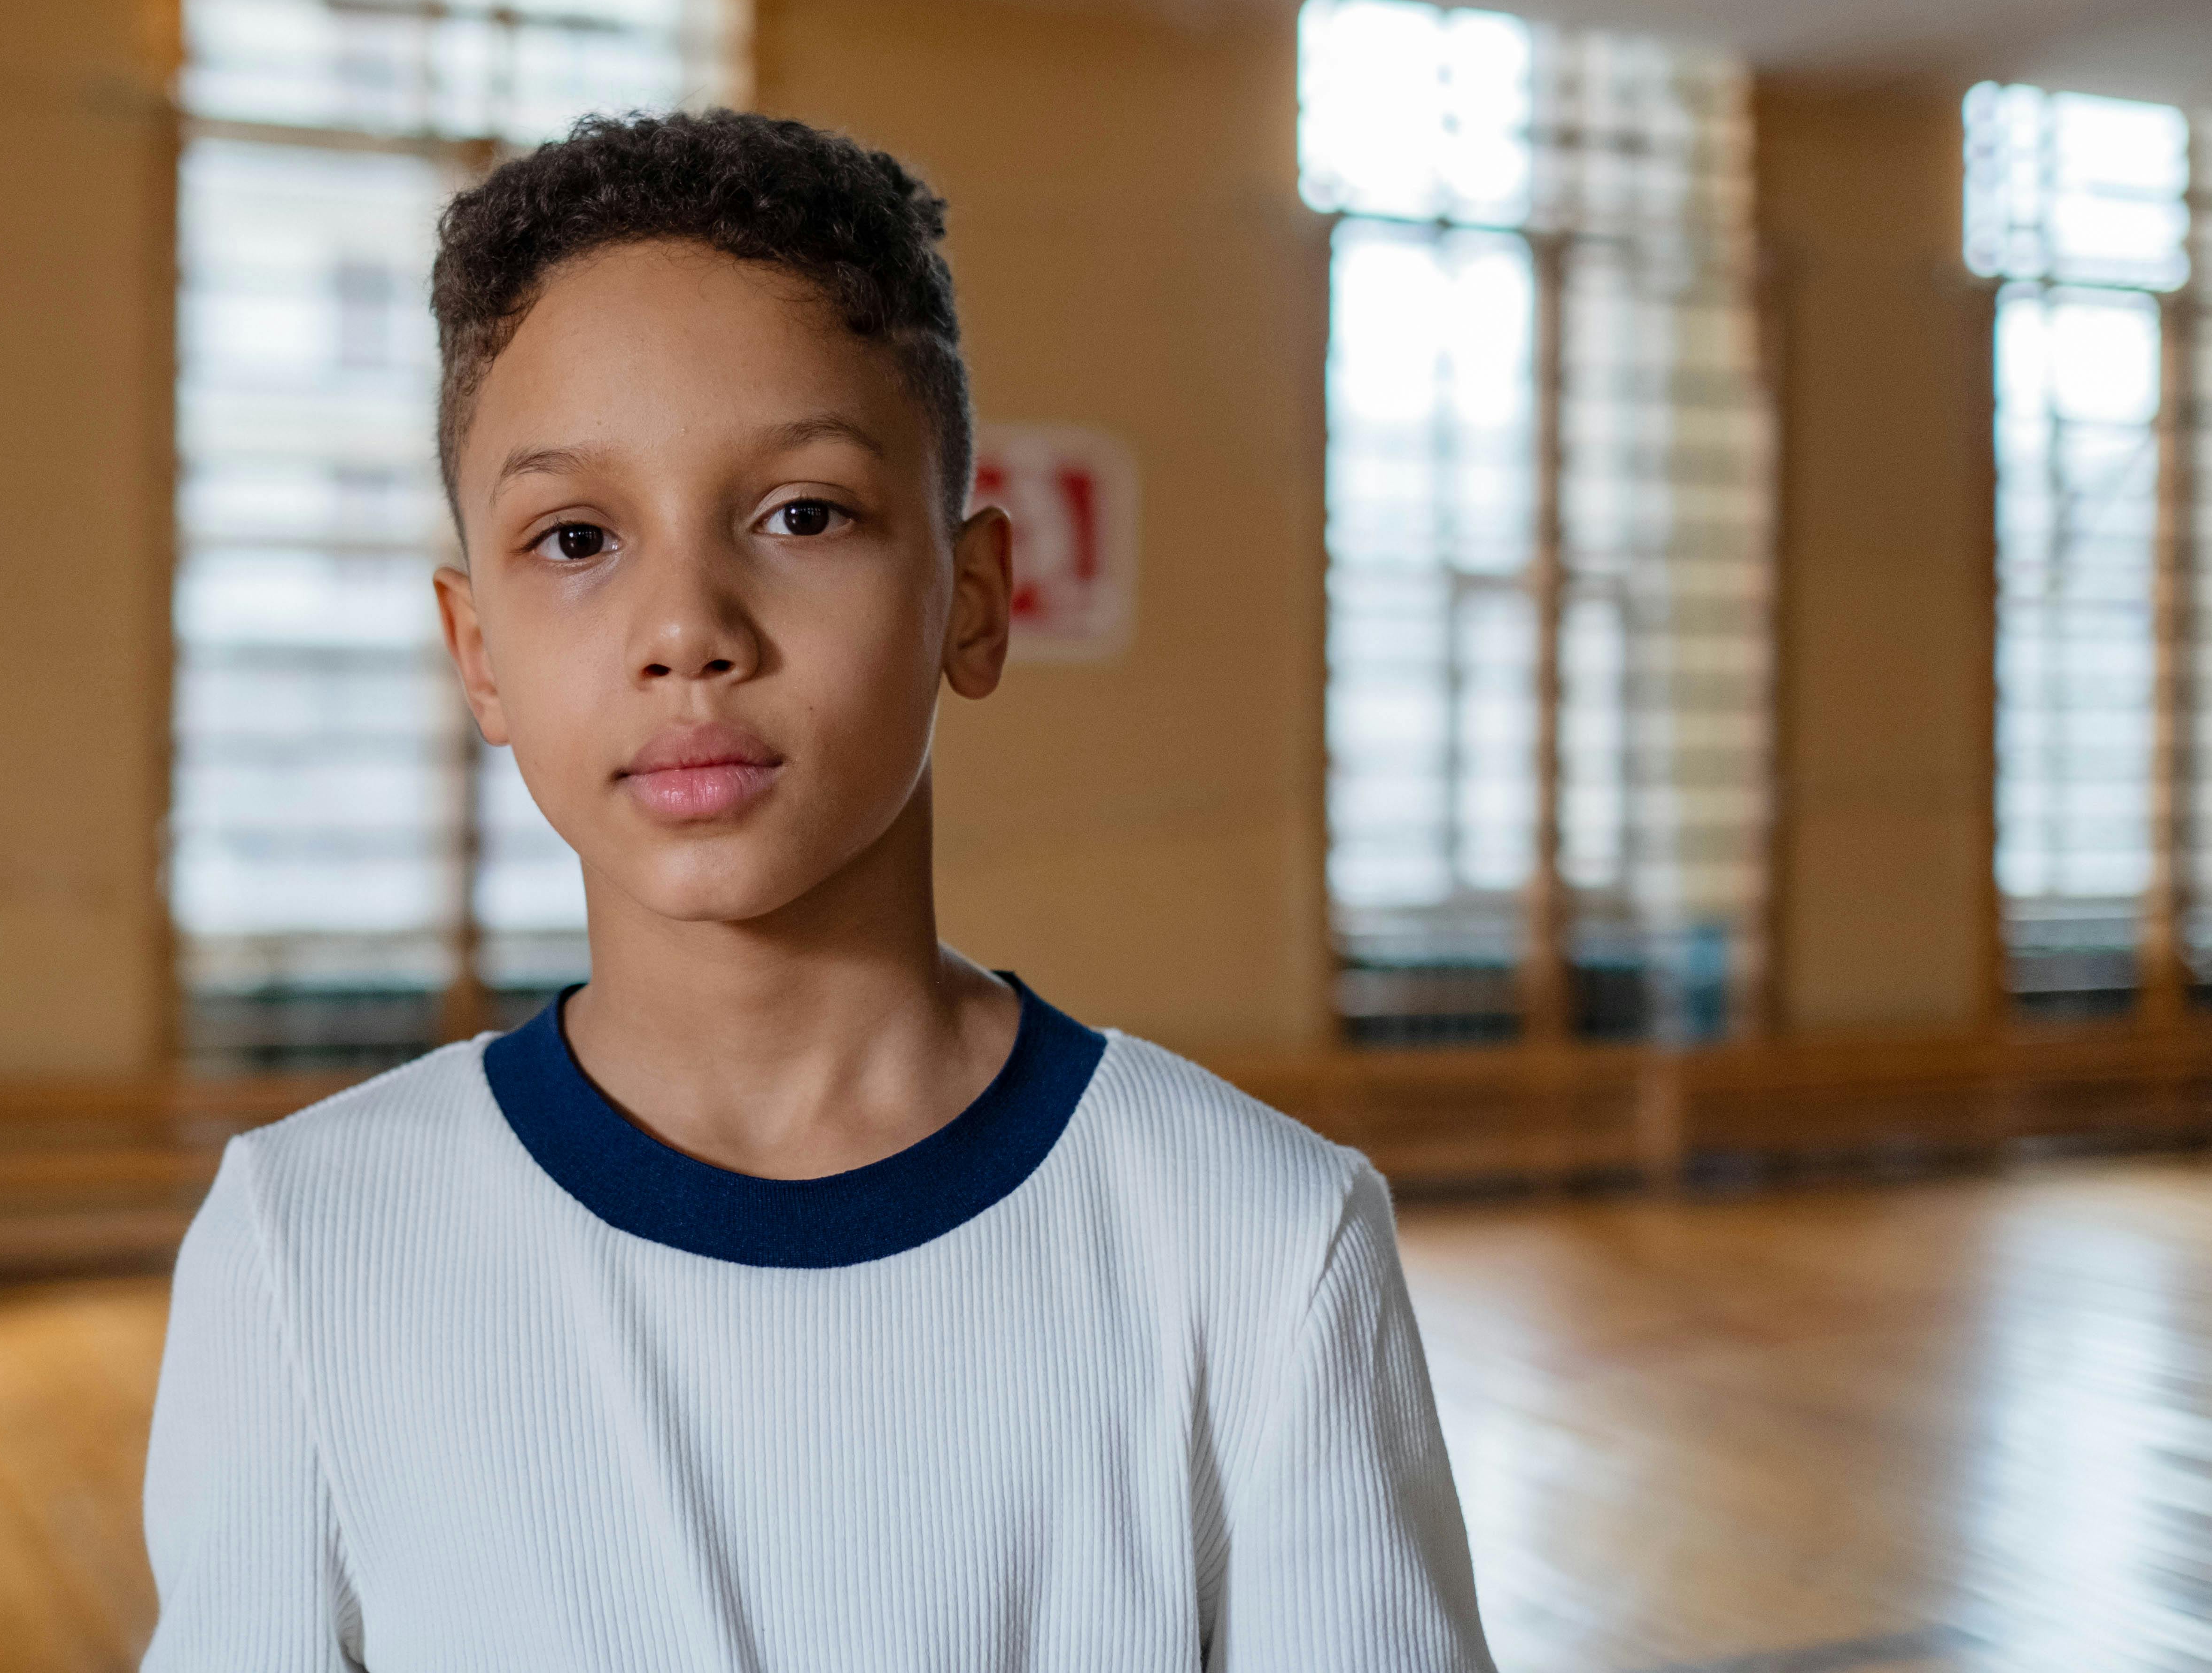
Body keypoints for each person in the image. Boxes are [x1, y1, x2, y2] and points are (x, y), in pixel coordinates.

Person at [140, 109, 1494, 1672]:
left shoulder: (1264, 1245)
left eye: (803, 515)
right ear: (477, 653)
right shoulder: (308, 1249)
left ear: (971, 603)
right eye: (576, 537)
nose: (688, 628)